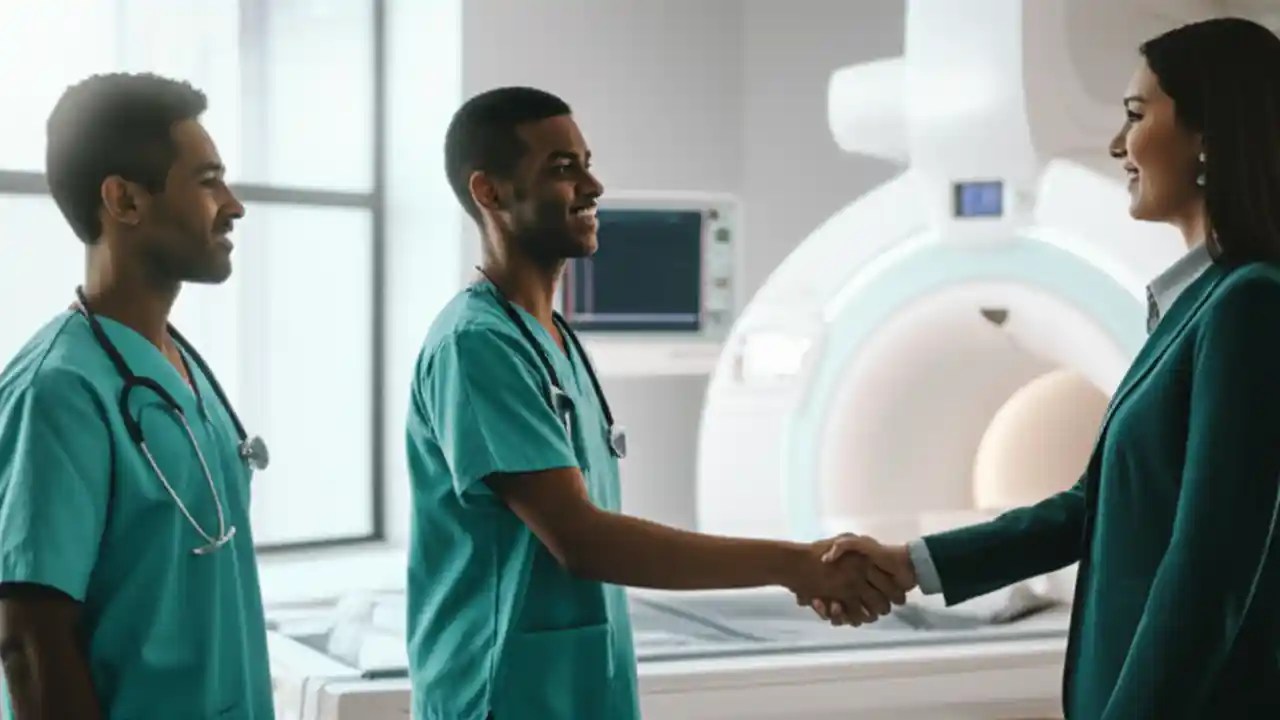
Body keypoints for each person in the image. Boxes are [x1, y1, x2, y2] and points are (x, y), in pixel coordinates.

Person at [816, 17, 1280, 720]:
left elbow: (1210, 566)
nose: (1118, 145)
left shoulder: (1250, 304)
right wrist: (910, 561)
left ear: (1209, 134)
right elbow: (1090, 508)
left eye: (1135, 116)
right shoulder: (1195, 304)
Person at [404, 86, 914, 720]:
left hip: (580, 689)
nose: (592, 185)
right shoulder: (476, 346)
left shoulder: (553, 339)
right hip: (502, 693)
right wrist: (796, 564)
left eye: (587, 162)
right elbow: (584, 540)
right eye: (563, 168)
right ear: (490, 192)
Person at [0, 73, 274, 718]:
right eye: (207, 181)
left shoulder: (179, 370)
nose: (233, 205)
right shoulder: (59, 391)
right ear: (124, 200)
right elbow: (28, 642)